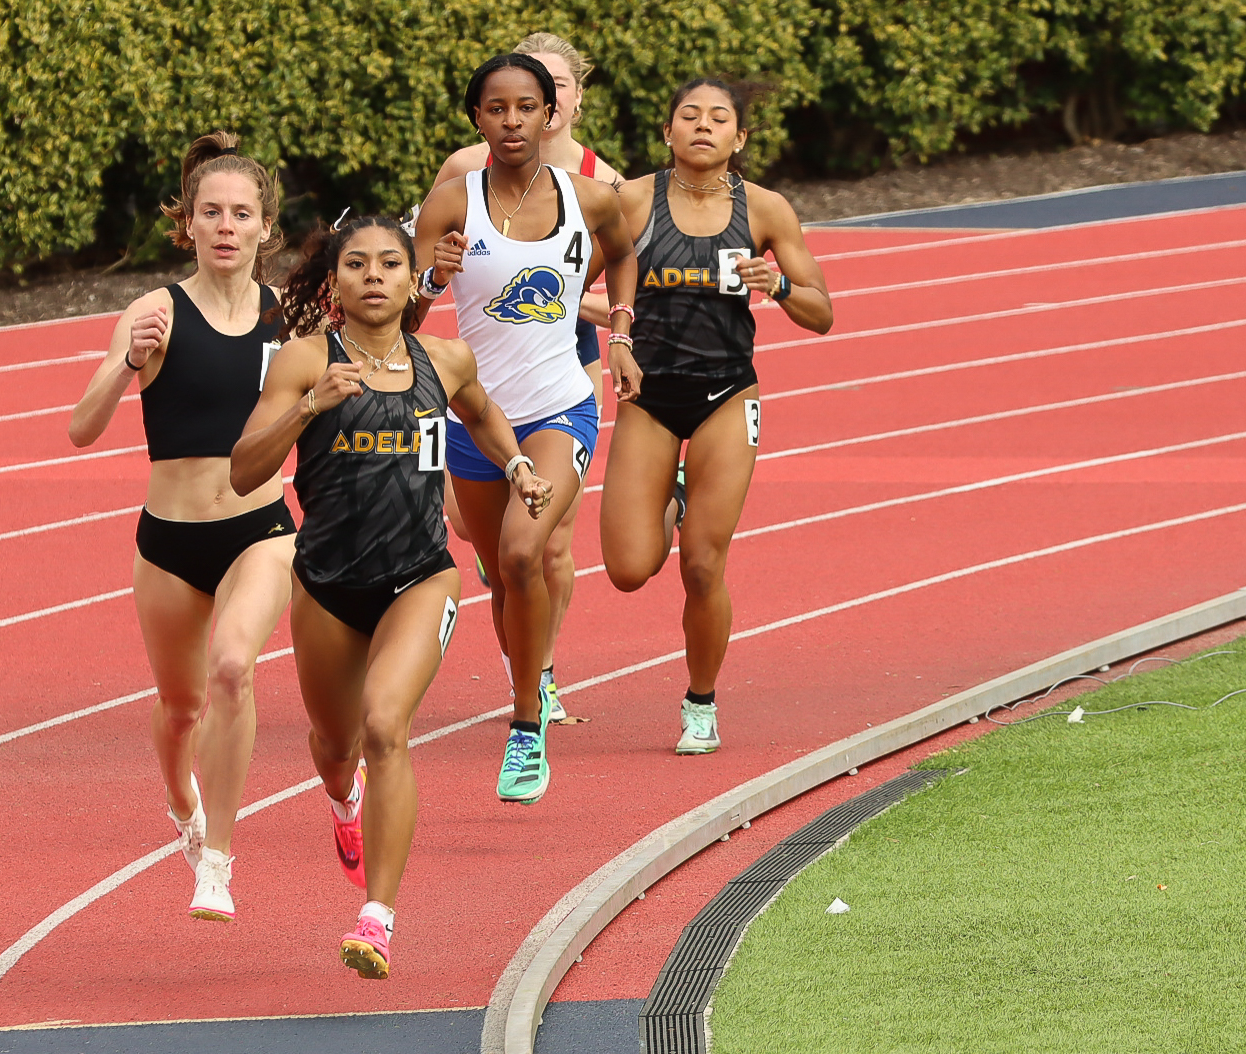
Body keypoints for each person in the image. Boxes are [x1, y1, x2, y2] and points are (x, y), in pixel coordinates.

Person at [231, 215, 550, 978]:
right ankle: (344, 804)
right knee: (336, 748)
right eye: (356, 265)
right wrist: (308, 408)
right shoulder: (304, 361)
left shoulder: (445, 356)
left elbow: (482, 413)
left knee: (384, 725)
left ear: (414, 282)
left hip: (420, 573)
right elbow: (244, 472)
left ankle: (375, 917)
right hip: (328, 584)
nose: (373, 275)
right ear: (333, 284)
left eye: (388, 264)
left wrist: (513, 466)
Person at [68, 132, 295, 922]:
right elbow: (80, 428)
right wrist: (124, 364)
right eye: (211, 213)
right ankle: (180, 801)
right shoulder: (154, 310)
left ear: (267, 226)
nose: (226, 226)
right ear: (187, 224)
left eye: (241, 213)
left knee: (235, 667)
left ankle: (219, 862)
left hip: (260, 529)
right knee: (181, 706)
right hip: (167, 543)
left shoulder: (287, 318)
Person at [412, 53, 641, 805]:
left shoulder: (589, 199)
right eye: (495, 108)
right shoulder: (449, 203)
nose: (511, 121)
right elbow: (402, 320)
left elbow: (623, 254)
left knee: (521, 553)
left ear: (551, 115)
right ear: (476, 118)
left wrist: (621, 332)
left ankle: (522, 726)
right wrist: (428, 278)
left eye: (525, 107)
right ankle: (532, 672)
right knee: (497, 570)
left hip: (558, 405)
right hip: (474, 413)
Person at [604, 78, 833, 753]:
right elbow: (569, 281)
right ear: (667, 132)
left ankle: (699, 702)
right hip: (649, 398)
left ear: (738, 139)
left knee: (702, 564)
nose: (701, 126)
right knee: (626, 567)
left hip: (727, 395)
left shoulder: (763, 209)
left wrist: (780, 285)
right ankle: (673, 498)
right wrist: (615, 335)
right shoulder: (631, 202)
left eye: (718, 118)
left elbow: (822, 312)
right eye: (688, 115)